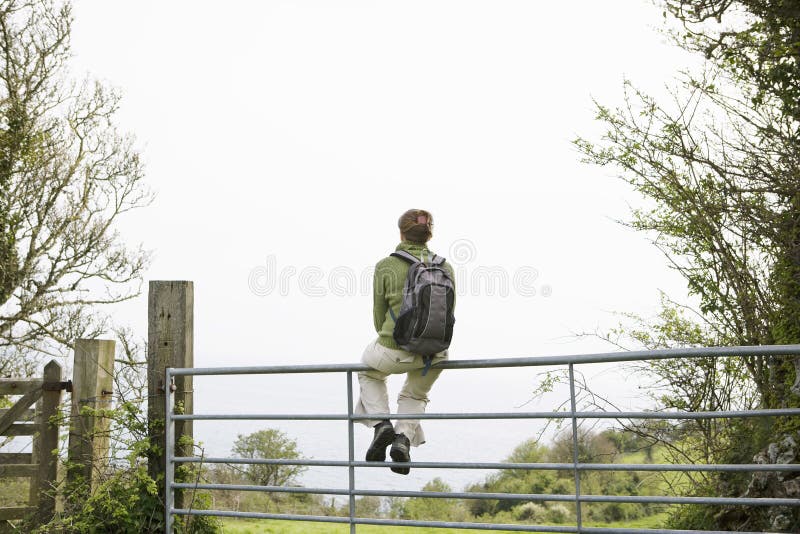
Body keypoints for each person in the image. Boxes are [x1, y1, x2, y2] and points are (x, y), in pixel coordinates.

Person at [354, 208, 455, 475]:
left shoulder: (386, 265)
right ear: (429, 235)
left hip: (394, 349)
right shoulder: (446, 266)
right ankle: (402, 439)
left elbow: (378, 317)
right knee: (416, 393)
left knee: (367, 372)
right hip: (436, 353)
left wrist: (393, 337)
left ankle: (381, 425)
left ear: (401, 232)